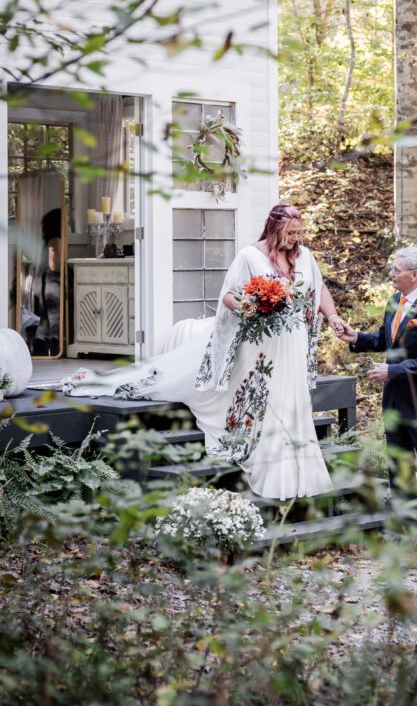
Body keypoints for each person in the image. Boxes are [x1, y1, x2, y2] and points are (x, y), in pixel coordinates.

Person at [64, 204, 346, 500]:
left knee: (291, 402)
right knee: (266, 399)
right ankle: (268, 460)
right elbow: (228, 296)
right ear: (275, 229)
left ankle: (299, 469)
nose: (295, 239)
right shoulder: (250, 256)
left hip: (293, 345)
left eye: (299, 233)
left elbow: (320, 289)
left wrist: (334, 317)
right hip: (260, 347)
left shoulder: (304, 257)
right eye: (290, 233)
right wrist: (254, 307)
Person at [338, 246, 417, 522]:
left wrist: (393, 371)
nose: (390, 273)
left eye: (396, 269)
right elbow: (385, 340)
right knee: (399, 467)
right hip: (395, 402)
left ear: (415, 274)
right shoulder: (395, 300)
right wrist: (356, 336)